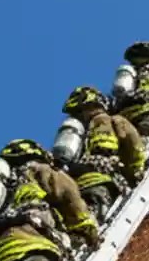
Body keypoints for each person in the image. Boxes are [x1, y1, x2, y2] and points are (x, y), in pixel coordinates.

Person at [54, 88, 142, 220]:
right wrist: (136, 169)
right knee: (97, 215)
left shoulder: (79, 135)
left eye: (80, 112)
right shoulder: (115, 121)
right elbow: (134, 144)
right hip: (102, 182)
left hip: (78, 187)